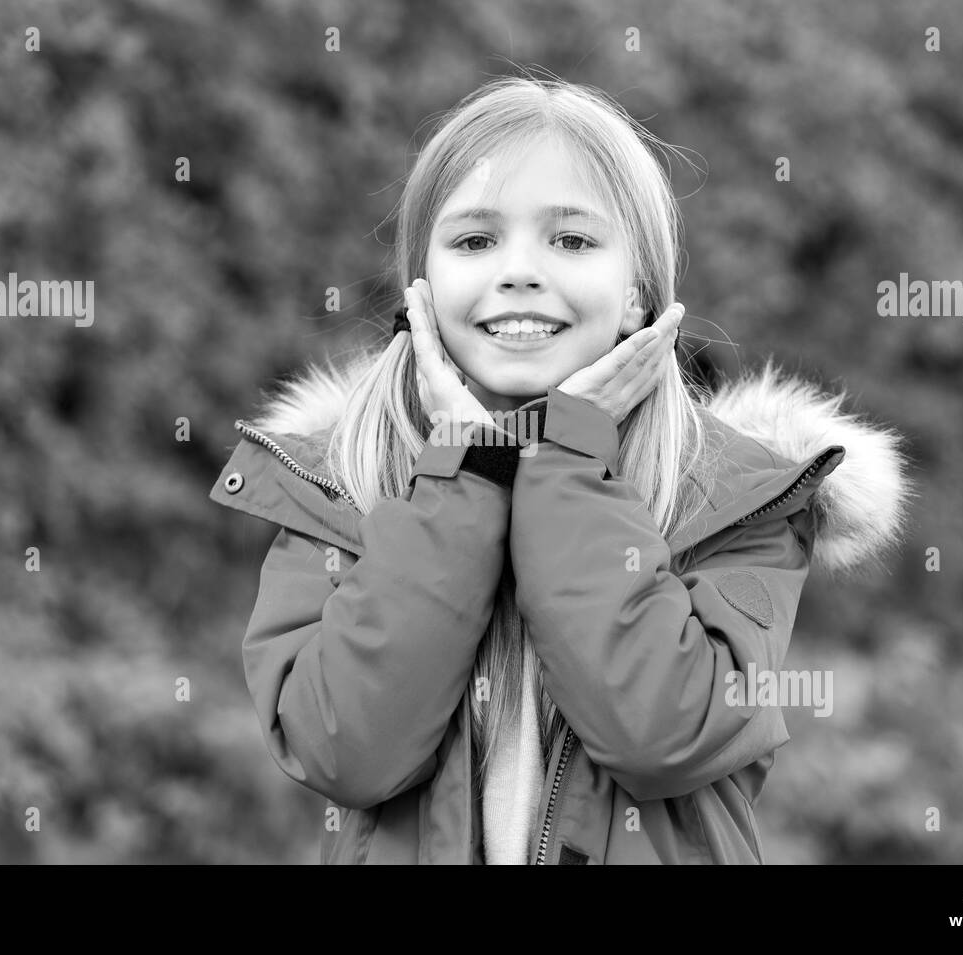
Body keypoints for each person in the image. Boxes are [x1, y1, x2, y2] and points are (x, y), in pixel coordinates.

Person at [209, 76, 914, 864]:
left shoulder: (735, 498)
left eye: (572, 240)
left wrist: (568, 460)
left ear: (638, 292)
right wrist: (463, 475)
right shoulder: (337, 484)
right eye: (475, 241)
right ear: (420, 290)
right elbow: (346, 749)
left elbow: (660, 732)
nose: (519, 271)